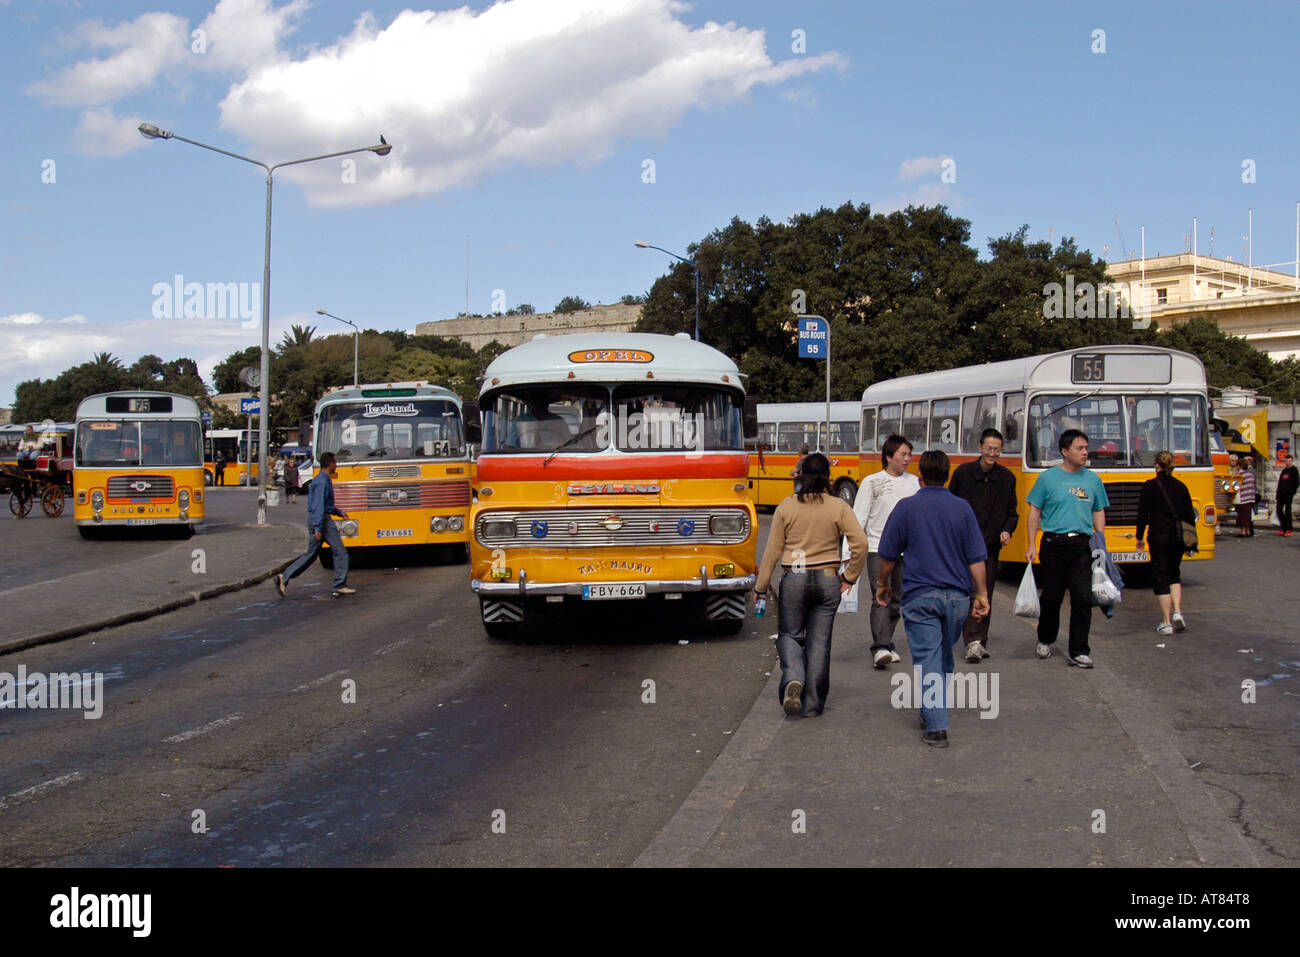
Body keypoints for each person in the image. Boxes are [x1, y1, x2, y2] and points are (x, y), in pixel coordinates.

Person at [876, 450, 990, 748]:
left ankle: (937, 726)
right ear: (949, 476)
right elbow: (976, 558)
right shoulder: (963, 508)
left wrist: (882, 584)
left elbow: (887, 555)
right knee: (943, 657)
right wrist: (982, 594)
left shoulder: (906, 508)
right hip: (957, 600)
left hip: (920, 597)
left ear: (920, 477)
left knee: (928, 659)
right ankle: (932, 708)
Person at [755, 453, 868, 718]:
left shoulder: (786, 506)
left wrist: (760, 588)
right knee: (819, 642)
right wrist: (849, 576)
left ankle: (794, 677)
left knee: (791, 635)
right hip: (828, 579)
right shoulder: (838, 506)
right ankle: (813, 704)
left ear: (801, 475)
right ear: (828, 476)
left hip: (794, 577)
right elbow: (860, 543)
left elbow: (772, 551)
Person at [1024, 429, 1109, 668]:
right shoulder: (1047, 479)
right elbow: (1034, 512)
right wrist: (1031, 544)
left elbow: (1098, 510)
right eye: (1079, 448)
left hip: (1082, 545)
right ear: (1064, 451)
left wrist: (1100, 542)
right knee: (1052, 597)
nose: (1084, 452)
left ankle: (1079, 650)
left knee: (1083, 598)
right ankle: (1045, 638)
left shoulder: (1092, 480)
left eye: (1085, 448)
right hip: (1053, 544)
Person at [948, 427, 1019, 663]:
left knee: (984, 593)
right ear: (979, 447)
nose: (993, 453)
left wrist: (1007, 531)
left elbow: (1012, 513)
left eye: (997, 450)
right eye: (989, 449)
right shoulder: (963, 474)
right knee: (963, 593)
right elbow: (952, 505)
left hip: (989, 548)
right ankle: (969, 638)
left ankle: (978, 641)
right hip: (962, 546)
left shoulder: (1007, 478)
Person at [851, 434, 919, 669]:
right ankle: (880, 647)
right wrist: (849, 554)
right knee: (880, 596)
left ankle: (886, 642)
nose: (907, 459)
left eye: (909, 454)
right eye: (903, 454)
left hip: (906, 552)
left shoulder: (914, 483)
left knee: (898, 599)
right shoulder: (872, 482)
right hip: (877, 549)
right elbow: (857, 519)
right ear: (888, 456)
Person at [276, 451, 355, 598]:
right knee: (340, 552)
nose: (336, 465)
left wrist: (338, 512)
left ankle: (284, 577)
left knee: (311, 555)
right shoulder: (323, 481)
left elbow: (326, 505)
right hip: (322, 521)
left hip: (318, 519)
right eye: (335, 462)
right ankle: (340, 585)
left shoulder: (321, 479)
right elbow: (319, 506)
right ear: (330, 463)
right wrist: (318, 528)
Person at [1135, 450, 1197, 635]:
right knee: (1174, 575)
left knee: (1161, 578)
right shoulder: (1181, 486)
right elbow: (1189, 516)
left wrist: (1139, 537)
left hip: (1159, 537)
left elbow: (1142, 515)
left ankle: (1166, 622)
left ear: (1156, 465)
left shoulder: (1150, 486)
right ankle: (1178, 612)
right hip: (1178, 538)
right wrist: (1192, 543)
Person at [1275, 453, 1297, 537]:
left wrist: (1291, 492)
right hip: (1281, 495)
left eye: (1290, 461)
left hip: (1288, 495)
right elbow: (1280, 483)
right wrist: (1277, 494)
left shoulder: (1294, 471)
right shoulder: (1284, 471)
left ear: (1292, 461)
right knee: (1279, 510)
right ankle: (1283, 528)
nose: (1288, 463)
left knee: (1288, 512)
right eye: (1287, 461)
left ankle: (1288, 529)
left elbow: (1296, 483)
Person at [1236, 455, 1256, 537]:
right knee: (1248, 516)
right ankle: (1248, 531)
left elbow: (1238, 487)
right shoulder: (1250, 475)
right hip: (1251, 497)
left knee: (1242, 516)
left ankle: (1243, 532)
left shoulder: (1240, 475)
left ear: (1240, 466)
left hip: (1243, 498)